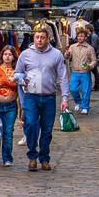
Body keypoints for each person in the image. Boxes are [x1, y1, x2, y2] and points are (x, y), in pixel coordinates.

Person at [14, 24, 70, 171]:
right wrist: (22, 80)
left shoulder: (56, 54)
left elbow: (63, 77)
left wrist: (65, 98)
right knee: (31, 125)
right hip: (30, 97)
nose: (39, 40)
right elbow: (17, 74)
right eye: (37, 37)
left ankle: (44, 158)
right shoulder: (25, 54)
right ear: (34, 38)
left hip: (49, 97)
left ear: (48, 39)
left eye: (42, 38)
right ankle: (32, 157)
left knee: (47, 130)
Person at [64, 23, 98, 115]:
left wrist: (90, 66)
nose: (80, 38)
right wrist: (66, 54)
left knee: (86, 90)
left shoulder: (90, 48)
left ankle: (85, 107)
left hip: (85, 72)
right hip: (75, 72)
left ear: (85, 37)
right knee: (73, 89)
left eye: (82, 36)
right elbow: (67, 57)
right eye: (78, 36)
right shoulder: (72, 47)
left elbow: (94, 60)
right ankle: (78, 102)